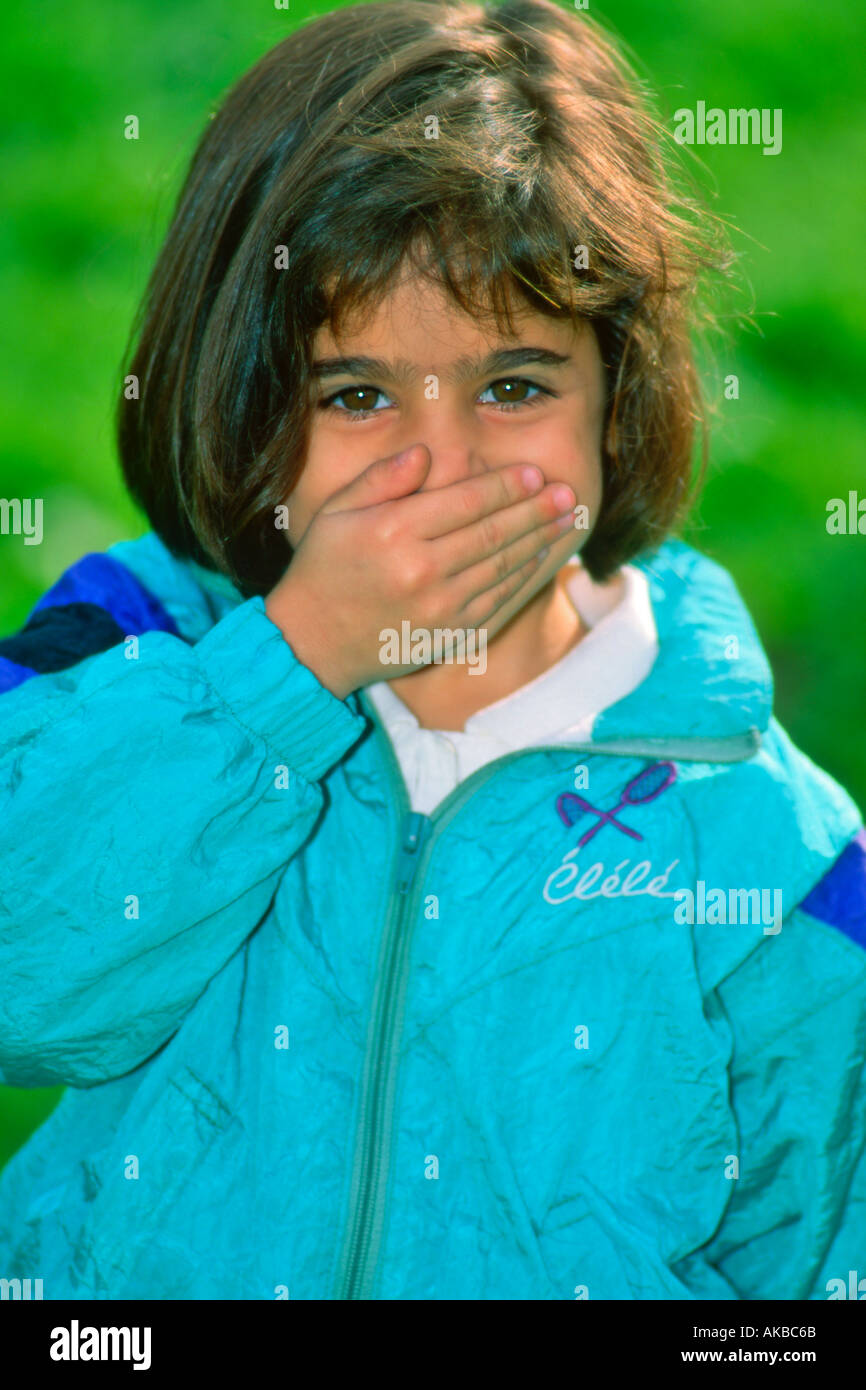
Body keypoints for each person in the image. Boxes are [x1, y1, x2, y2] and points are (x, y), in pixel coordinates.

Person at [1, 0, 864, 1301]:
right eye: (356, 394)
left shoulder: (771, 847)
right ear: (237, 392)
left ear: (618, 397)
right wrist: (289, 665)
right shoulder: (129, 647)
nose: (440, 464)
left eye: (513, 385)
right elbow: (22, 982)